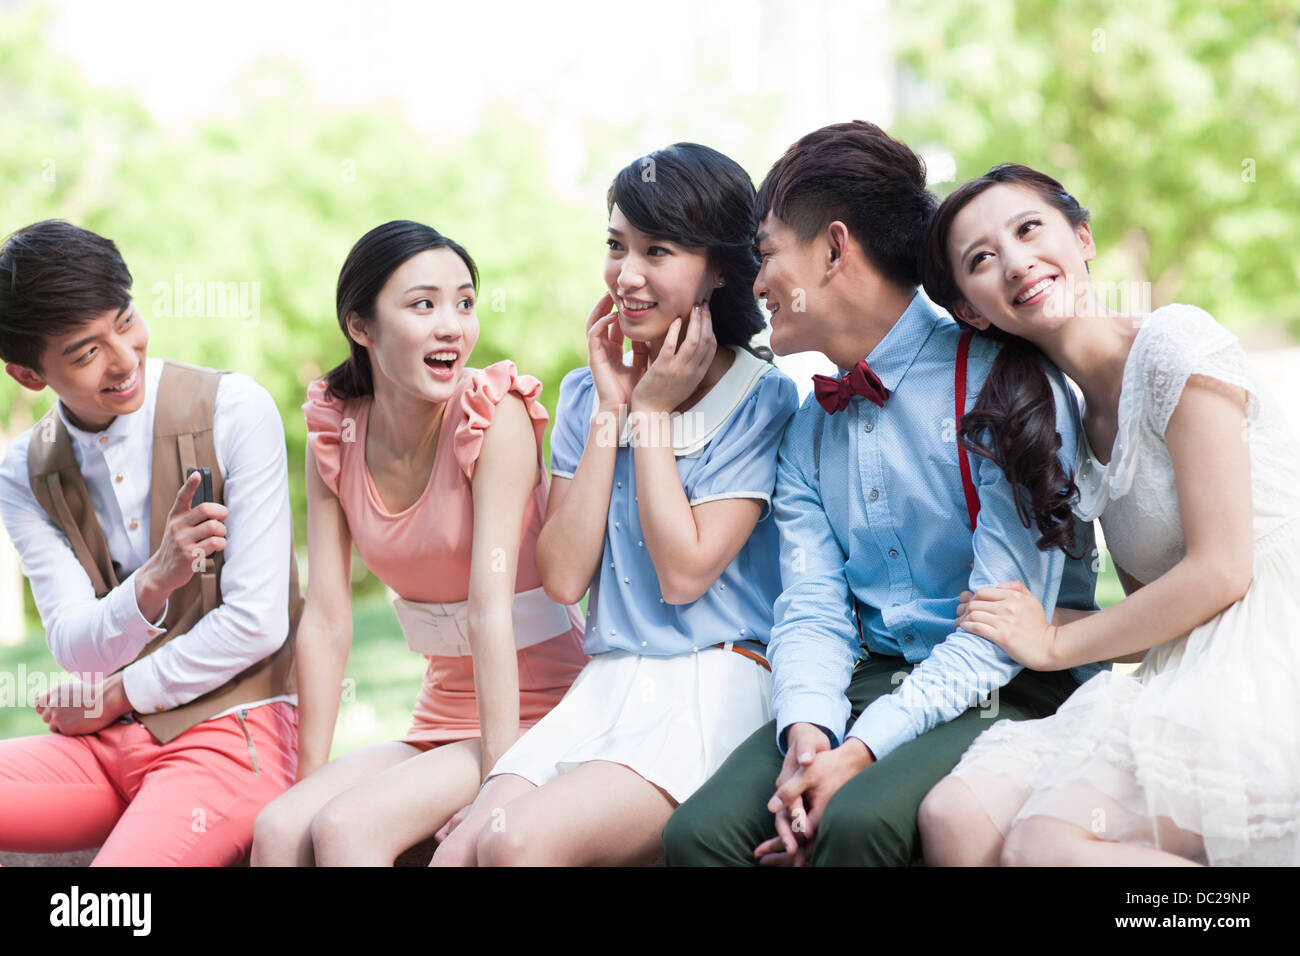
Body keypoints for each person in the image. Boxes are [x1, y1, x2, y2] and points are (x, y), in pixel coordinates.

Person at [662, 122, 1102, 867]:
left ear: (834, 250)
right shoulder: (807, 429)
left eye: (766, 254)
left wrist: (863, 749)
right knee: (698, 836)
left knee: (858, 821)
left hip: (1012, 676)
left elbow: (1003, 627)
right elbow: (811, 608)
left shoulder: (1007, 383)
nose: (756, 283)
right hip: (875, 673)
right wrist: (810, 734)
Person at [916, 163, 1300, 867]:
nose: (1016, 261)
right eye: (981, 259)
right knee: (956, 817)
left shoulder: (1174, 343)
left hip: (1274, 661)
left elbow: (1222, 570)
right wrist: (1036, 622)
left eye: (1029, 229)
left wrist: (1056, 646)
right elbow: (1157, 612)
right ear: (971, 310)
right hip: (1186, 668)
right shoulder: (1078, 425)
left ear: (1083, 237)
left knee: (1044, 844)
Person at [430, 143, 799, 866]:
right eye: (615, 245)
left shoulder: (763, 397)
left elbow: (684, 574)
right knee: (455, 855)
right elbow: (565, 577)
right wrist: (613, 407)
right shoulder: (583, 394)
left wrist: (653, 416)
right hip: (605, 684)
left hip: (715, 683)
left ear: (719, 268)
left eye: (656, 251)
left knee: (514, 846)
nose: (625, 275)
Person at [250, 220, 588, 866]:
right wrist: (310, 777)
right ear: (361, 326)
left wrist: (499, 784)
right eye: (423, 304)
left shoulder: (496, 413)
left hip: (534, 711)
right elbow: (325, 619)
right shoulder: (335, 428)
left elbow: (490, 608)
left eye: (464, 303)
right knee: (280, 827)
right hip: (439, 714)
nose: (452, 326)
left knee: (347, 829)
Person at [0, 220, 300, 866]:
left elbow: (257, 623)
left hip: (233, 735)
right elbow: (76, 648)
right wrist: (154, 582)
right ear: (28, 375)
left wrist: (116, 693)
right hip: (107, 748)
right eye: (86, 353)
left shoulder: (234, 410)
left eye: (126, 319)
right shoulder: (23, 470)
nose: (126, 358)